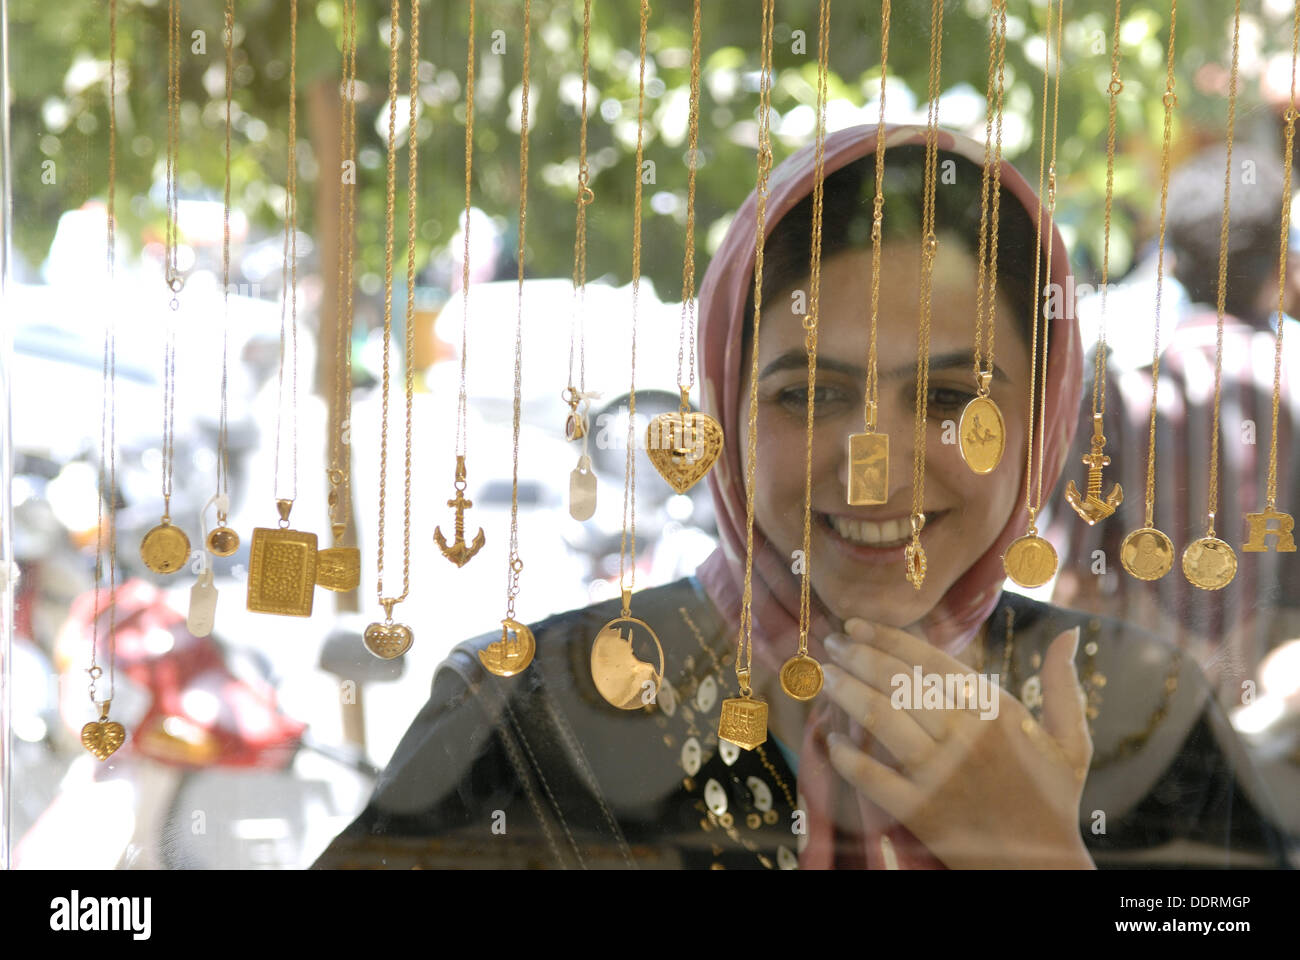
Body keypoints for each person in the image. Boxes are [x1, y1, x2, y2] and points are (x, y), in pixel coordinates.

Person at [312, 126, 1291, 869]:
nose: (875, 465)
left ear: (1043, 418)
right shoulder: (528, 719)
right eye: (808, 395)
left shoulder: (1146, 720)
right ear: (730, 406)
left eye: (952, 398)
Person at [1050, 144, 1300, 707]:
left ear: (1175, 260)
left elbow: (1079, 581)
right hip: (1271, 716)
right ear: (1278, 264)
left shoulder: (1119, 389)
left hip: (1146, 711)